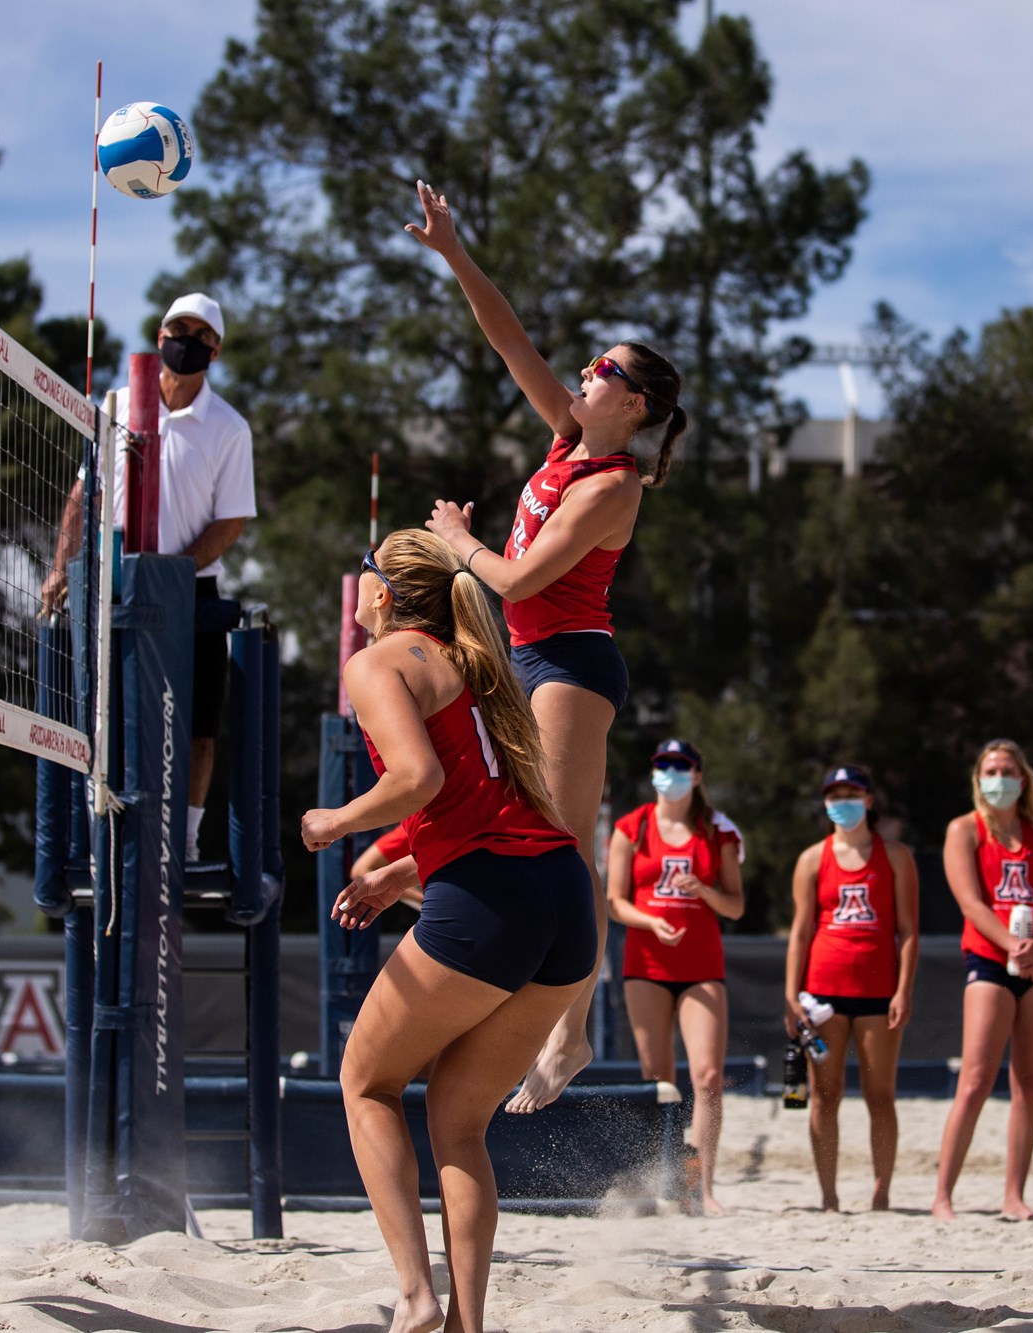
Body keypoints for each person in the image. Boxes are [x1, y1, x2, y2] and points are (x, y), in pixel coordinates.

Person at [405, 180, 687, 1113]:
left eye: (604, 367)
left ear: (634, 403)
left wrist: (456, 540)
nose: (586, 370)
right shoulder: (570, 435)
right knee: (498, 830)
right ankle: (447, 918)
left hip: (568, 662)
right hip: (522, 657)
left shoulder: (615, 485)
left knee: (564, 852)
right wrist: (454, 253)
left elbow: (519, 582)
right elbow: (508, 337)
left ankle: (569, 1032)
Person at [304, 528, 594, 1333]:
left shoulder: (377, 663)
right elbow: (479, 804)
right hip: (564, 898)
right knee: (460, 1122)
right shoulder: (474, 660)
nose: (353, 582)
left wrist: (335, 820)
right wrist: (402, 871)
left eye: (361, 569)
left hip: (491, 899)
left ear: (384, 593)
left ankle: (415, 1294)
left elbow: (417, 779)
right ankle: (465, 1324)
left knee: (366, 1083)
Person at [42, 293, 255, 862]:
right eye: (176, 329)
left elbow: (231, 519)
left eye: (198, 334)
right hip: (112, 583)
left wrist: (171, 573)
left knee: (198, 727)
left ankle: (182, 842)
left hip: (190, 590)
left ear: (215, 349)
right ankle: (100, 832)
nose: (185, 341)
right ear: (159, 337)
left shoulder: (229, 427)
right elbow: (82, 496)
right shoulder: (115, 403)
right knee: (103, 717)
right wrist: (60, 568)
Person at [607, 738, 744, 1216]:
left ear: (697, 775)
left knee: (707, 1076)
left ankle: (703, 1188)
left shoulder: (716, 830)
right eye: (663, 764)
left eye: (680, 765)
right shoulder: (632, 826)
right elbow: (615, 901)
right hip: (647, 965)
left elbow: (736, 905)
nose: (670, 772)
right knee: (658, 1079)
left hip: (701, 966)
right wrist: (650, 922)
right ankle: (662, 1180)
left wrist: (703, 889)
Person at [932, 739, 1033, 1222]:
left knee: (1029, 1082)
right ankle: (943, 1195)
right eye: (991, 770)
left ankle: (1014, 1195)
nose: (1000, 778)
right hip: (991, 957)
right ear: (978, 778)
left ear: (1023, 779)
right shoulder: (964, 830)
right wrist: (1014, 947)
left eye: (1008, 770)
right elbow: (971, 903)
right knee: (975, 1079)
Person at [784, 764, 918, 1213]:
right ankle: (829, 1195)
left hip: (879, 993)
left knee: (880, 1094)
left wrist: (903, 990)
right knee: (825, 1094)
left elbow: (909, 930)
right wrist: (791, 993)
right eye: (834, 794)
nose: (843, 801)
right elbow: (801, 931)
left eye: (851, 792)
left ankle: (881, 1192)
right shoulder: (810, 858)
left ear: (869, 799)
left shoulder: (895, 856)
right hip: (823, 994)